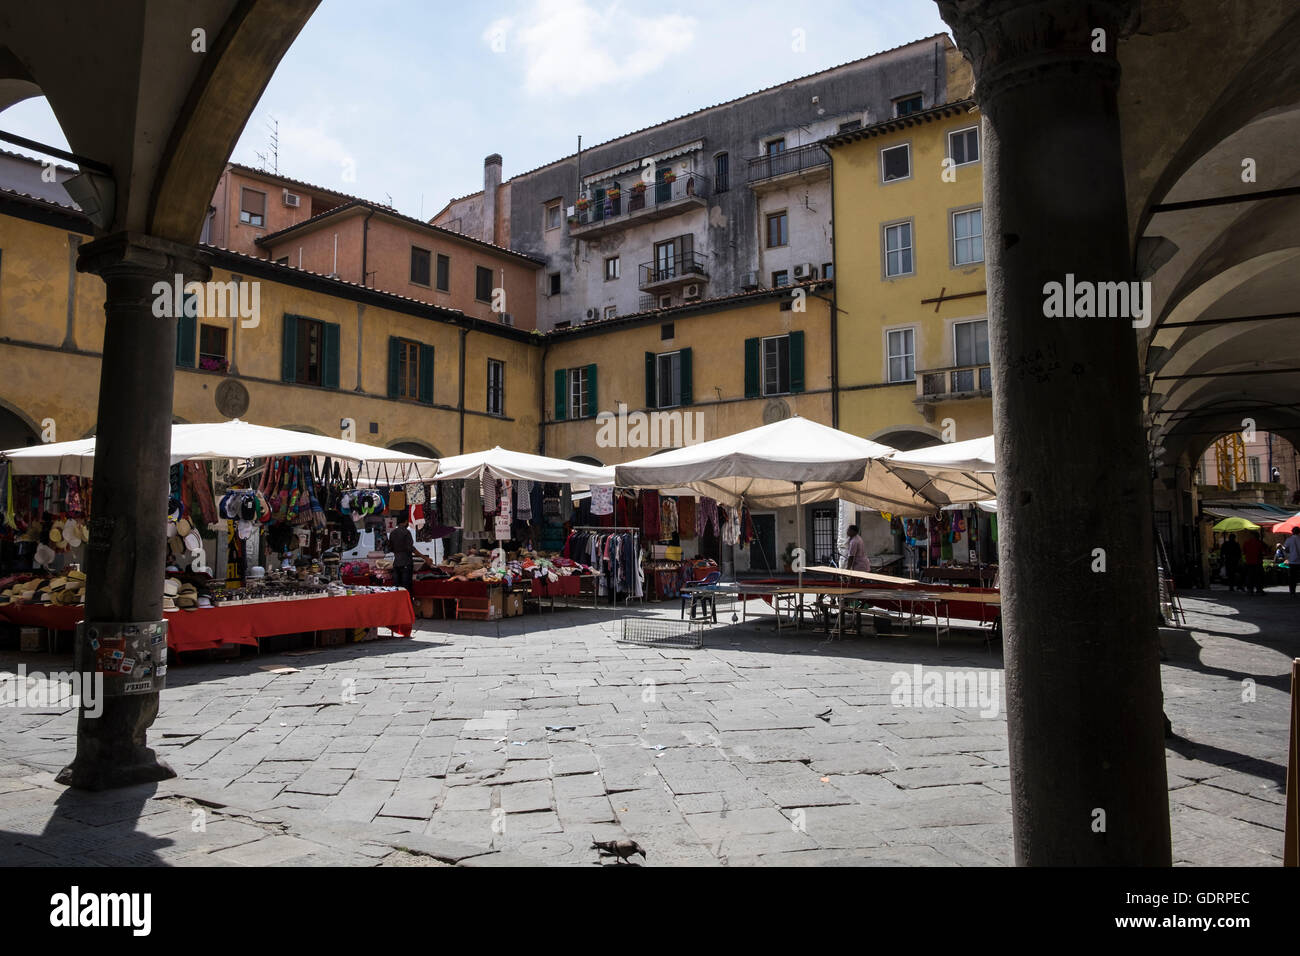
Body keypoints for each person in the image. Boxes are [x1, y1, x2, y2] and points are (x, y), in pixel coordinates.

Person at [389, 513, 421, 592]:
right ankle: (407, 603)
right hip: (406, 563)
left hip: (396, 564)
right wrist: (424, 557)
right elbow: (411, 548)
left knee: (397, 589)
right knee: (406, 589)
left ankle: (398, 604)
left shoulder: (392, 533)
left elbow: (390, 548)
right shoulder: (406, 532)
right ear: (406, 521)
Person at [1240, 529, 1266, 595]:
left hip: (1249, 562)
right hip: (1258, 562)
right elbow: (1263, 552)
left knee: (1250, 576)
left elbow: (1244, 552)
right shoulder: (1259, 543)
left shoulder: (1246, 543)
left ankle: (1250, 590)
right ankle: (1259, 589)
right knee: (1258, 576)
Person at [1285, 527, 1300, 597]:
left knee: (1292, 578)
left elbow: (1286, 550)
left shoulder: (1289, 539)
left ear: (1292, 532)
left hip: (1293, 561)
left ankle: (1292, 592)